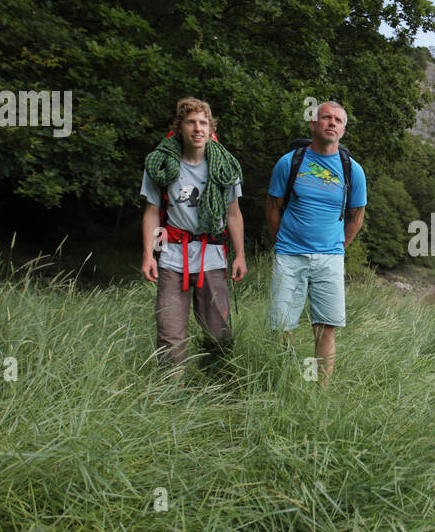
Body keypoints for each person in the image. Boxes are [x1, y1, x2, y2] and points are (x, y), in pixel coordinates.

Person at [140, 97, 246, 376]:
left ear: (211, 128)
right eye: (191, 122)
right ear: (179, 127)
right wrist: (148, 254)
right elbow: (152, 211)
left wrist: (241, 255)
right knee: (169, 329)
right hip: (172, 255)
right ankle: (172, 391)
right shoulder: (161, 165)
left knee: (218, 329)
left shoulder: (225, 168)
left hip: (212, 255)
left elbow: (233, 214)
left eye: (203, 122)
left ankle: (218, 383)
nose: (198, 128)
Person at [265, 101, 366, 378]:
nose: (332, 123)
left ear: (343, 130)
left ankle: (319, 392)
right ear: (313, 123)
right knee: (281, 326)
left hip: (330, 259)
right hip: (289, 256)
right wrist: (284, 243)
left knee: (325, 327)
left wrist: (336, 248)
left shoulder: (352, 170)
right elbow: (273, 208)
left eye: (338, 120)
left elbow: (356, 218)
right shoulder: (290, 163)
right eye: (326, 118)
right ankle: (283, 381)